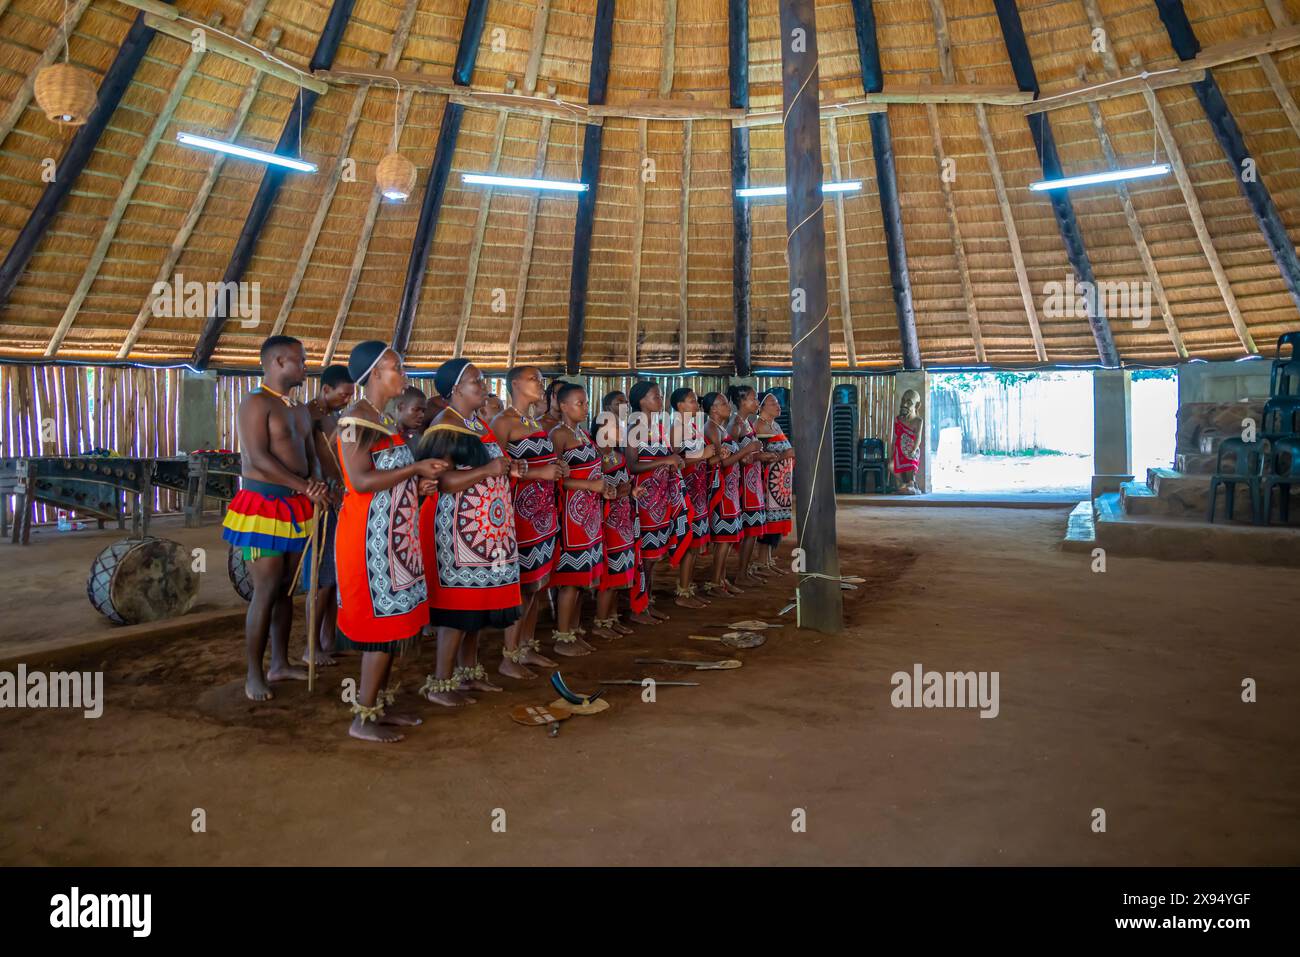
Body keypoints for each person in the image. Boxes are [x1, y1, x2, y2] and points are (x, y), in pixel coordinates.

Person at [334, 342, 448, 742]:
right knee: (380, 627)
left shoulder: (382, 421)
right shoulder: (353, 421)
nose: (403, 374)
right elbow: (361, 481)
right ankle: (362, 717)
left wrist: (419, 486)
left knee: (397, 621)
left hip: (394, 537)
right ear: (374, 375)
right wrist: (415, 467)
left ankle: (379, 705)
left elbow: (389, 479)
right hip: (367, 540)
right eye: (395, 368)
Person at [222, 335, 328, 702]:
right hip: (262, 506)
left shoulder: (299, 409)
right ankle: (254, 672)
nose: (305, 365)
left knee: (287, 587)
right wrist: (303, 485)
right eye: (300, 360)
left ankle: (279, 663)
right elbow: (257, 459)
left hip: (297, 503)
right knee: (265, 590)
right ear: (279, 362)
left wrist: (314, 482)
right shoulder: (255, 403)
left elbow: (311, 452)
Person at [417, 359, 521, 700]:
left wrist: (506, 468)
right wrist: (489, 470)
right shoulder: (444, 426)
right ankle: (441, 682)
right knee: (459, 607)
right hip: (458, 532)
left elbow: (489, 465)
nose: (484, 385)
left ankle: (468, 673)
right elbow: (440, 480)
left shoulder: (476, 422)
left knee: (477, 606)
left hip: (486, 533)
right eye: (476, 380)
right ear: (455, 389)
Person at [493, 366, 574, 663]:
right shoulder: (503, 422)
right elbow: (494, 470)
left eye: (540, 379)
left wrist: (557, 469)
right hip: (519, 515)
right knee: (524, 585)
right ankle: (509, 656)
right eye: (533, 379)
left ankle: (526, 647)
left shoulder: (533, 422)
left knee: (537, 586)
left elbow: (539, 461)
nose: (540, 384)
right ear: (514, 384)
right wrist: (540, 472)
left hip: (542, 513)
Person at [548, 383, 615, 654]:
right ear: (563, 406)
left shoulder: (584, 434)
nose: (585, 408)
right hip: (570, 517)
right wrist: (590, 487)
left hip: (589, 514)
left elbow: (592, 472)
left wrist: (604, 488)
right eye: (579, 403)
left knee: (582, 578)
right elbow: (554, 480)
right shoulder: (558, 435)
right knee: (570, 579)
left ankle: (573, 631)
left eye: (586, 403)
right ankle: (562, 637)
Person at [301, 363, 354, 666]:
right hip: (321, 502)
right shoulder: (308, 416)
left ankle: (327, 640)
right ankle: (310, 647)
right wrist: (317, 489)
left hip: (339, 501)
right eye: (342, 394)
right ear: (325, 390)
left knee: (334, 577)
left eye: (350, 395)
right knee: (321, 578)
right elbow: (305, 460)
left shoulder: (334, 417)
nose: (347, 399)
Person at [626, 380, 684, 622]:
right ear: (641, 401)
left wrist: (675, 461)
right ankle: (638, 607)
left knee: (655, 556)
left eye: (660, 396)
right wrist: (665, 461)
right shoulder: (634, 426)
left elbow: (666, 456)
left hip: (659, 498)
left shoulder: (658, 426)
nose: (660, 400)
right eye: (655, 396)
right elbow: (632, 465)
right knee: (645, 557)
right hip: (643, 498)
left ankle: (646, 602)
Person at [591, 390, 641, 638]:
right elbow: (599, 491)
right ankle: (601, 622)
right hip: (607, 522)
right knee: (609, 575)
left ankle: (612, 617)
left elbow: (624, 484)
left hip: (623, 520)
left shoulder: (618, 455)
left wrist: (631, 491)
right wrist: (620, 492)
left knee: (622, 568)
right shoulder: (596, 459)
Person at [701, 391, 758, 597]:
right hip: (722, 488)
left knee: (727, 537)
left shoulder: (720, 428)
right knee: (723, 539)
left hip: (730, 487)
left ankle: (722, 579)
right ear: (713, 409)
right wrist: (746, 451)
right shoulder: (711, 428)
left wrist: (741, 457)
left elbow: (727, 457)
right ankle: (715, 582)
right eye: (723, 403)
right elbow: (718, 462)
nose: (728, 406)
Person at [668, 387, 715, 608]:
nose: (696, 404)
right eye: (691, 401)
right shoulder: (676, 428)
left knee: (695, 542)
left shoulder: (692, 426)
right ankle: (683, 592)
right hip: (685, 490)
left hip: (698, 490)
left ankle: (688, 587)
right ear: (680, 406)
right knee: (688, 541)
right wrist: (703, 455)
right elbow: (675, 460)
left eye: (696, 401)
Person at [728, 384, 769, 585]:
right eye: (753, 398)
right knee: (749, 529)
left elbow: (748, 455)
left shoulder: (746, 423)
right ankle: (740, 574)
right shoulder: (735, 425)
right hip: (743, 484)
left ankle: (744, 571)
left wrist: (763, 456)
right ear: (742, 401)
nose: (756, 402)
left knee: (752, 529)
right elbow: (731, 457)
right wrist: (751, 453)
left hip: (752, 482)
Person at [755, 392, 795, 573]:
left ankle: (769, 560)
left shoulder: (776, 425)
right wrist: (783, 456)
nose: (778, 406)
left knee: (777, 521)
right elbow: (759, 457)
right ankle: (761, 561)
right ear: (761, 407)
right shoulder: (758, 426)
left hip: (781, 485)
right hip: (768, 484)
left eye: (778, 403)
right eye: (772, 403)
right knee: (769, 522)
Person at [891, 388, 924, 494]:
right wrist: (893, 452)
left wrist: (914, 449)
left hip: (911, 450)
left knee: (910, 462)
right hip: (899, 451)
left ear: (917, 405)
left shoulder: (918, 421)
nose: (904, 405)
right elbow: (895, 437)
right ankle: (903, 483)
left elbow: (918, 437)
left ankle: (911, 483)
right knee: (891, 465)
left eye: (909, 402)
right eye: (903, 401)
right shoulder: (898, 420)